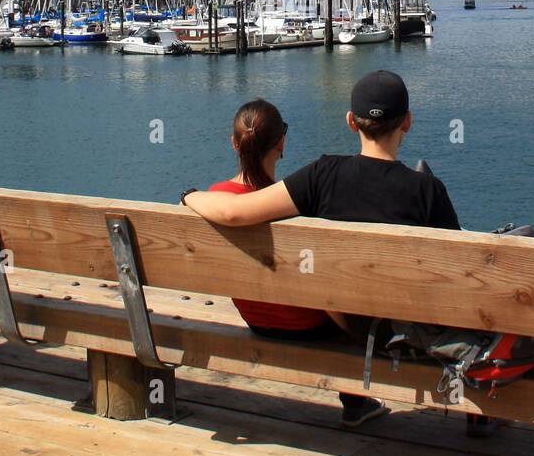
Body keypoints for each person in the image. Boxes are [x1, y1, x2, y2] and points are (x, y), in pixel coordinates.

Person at [184, 72, 490, 434]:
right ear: (407, 122)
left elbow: (235, 211)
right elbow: (461, 277)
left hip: (347, 323)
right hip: (398, 333)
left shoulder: (321, 175)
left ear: (350, 122)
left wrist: (189, 195)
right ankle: (484, 406)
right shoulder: (427, 190)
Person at [206, 99, 385, 428]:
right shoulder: (294, 207)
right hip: (310, 328)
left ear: (234, 143)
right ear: (281, 143)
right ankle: (355, 402)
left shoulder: (213, 199)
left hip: (257, 320)